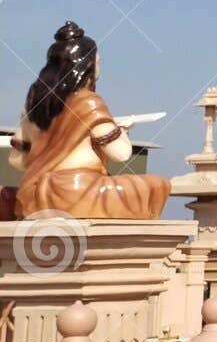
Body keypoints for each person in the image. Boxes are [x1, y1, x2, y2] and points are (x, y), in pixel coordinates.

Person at [2, 22, 168, 221]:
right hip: (78, 192)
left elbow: (17, 160)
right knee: (157, 185)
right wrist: (122, 130)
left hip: (34, 195)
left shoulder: (31, 107)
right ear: (87, 65)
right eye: (97, 62)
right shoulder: (88, 102)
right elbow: (121, 153)